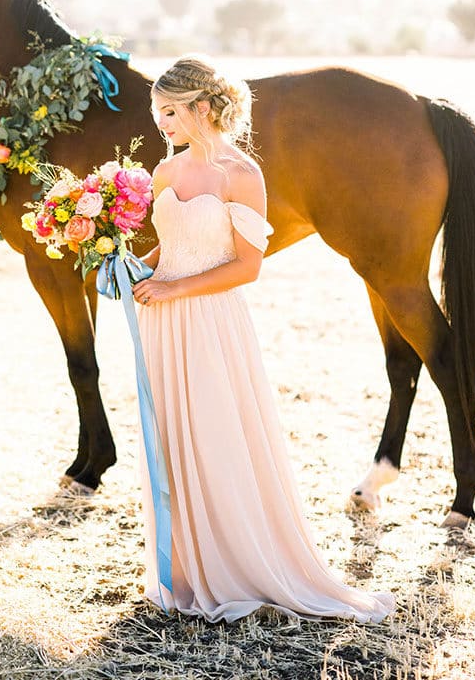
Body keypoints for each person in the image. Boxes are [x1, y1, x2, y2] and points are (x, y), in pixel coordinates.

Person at [131, 57, 394, 624]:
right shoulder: (167, 171)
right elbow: (167, 247)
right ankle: (185, 565)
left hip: (210, 322)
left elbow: (246, 266)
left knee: (216, 435)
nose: (162, 125)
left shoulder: (242, 174)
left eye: (170, 112)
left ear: (202, 106)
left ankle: (235, 563)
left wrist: (173, 289)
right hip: (164, 325)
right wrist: (127, 264)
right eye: (158, 114)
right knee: (172, 438)